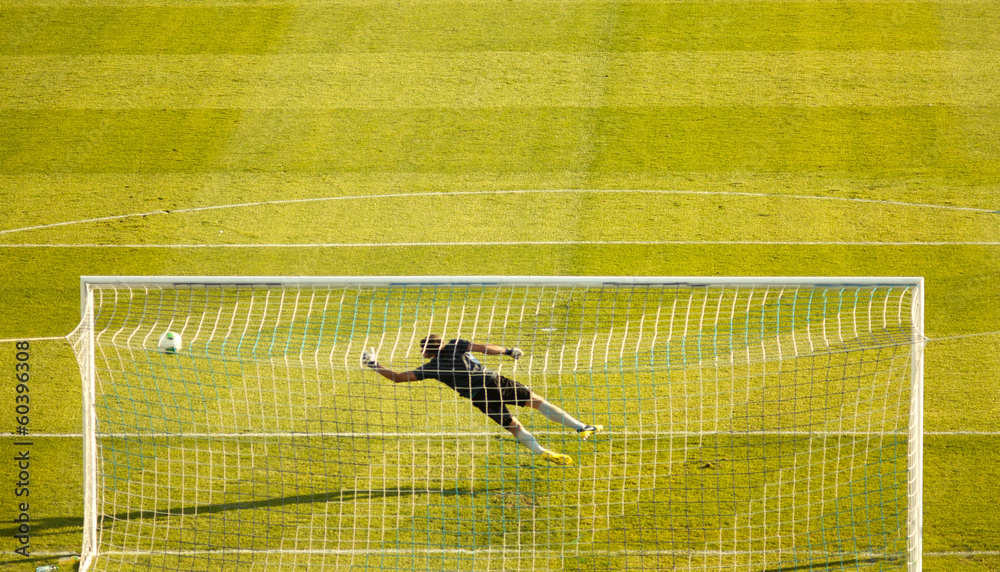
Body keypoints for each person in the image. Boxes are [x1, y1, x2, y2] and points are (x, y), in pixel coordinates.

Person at [361, 334, 602, 465]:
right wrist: (508, 351)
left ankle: (541, 452)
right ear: (442, 343)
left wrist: (373, 364)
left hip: (478, 397)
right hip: (493, 381)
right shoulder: (455, 345)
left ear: (426, 352)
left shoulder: (432, 367)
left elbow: (398, 378)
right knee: (536, 401)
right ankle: (581, 427)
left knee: (513, 426)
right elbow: (485, 348)